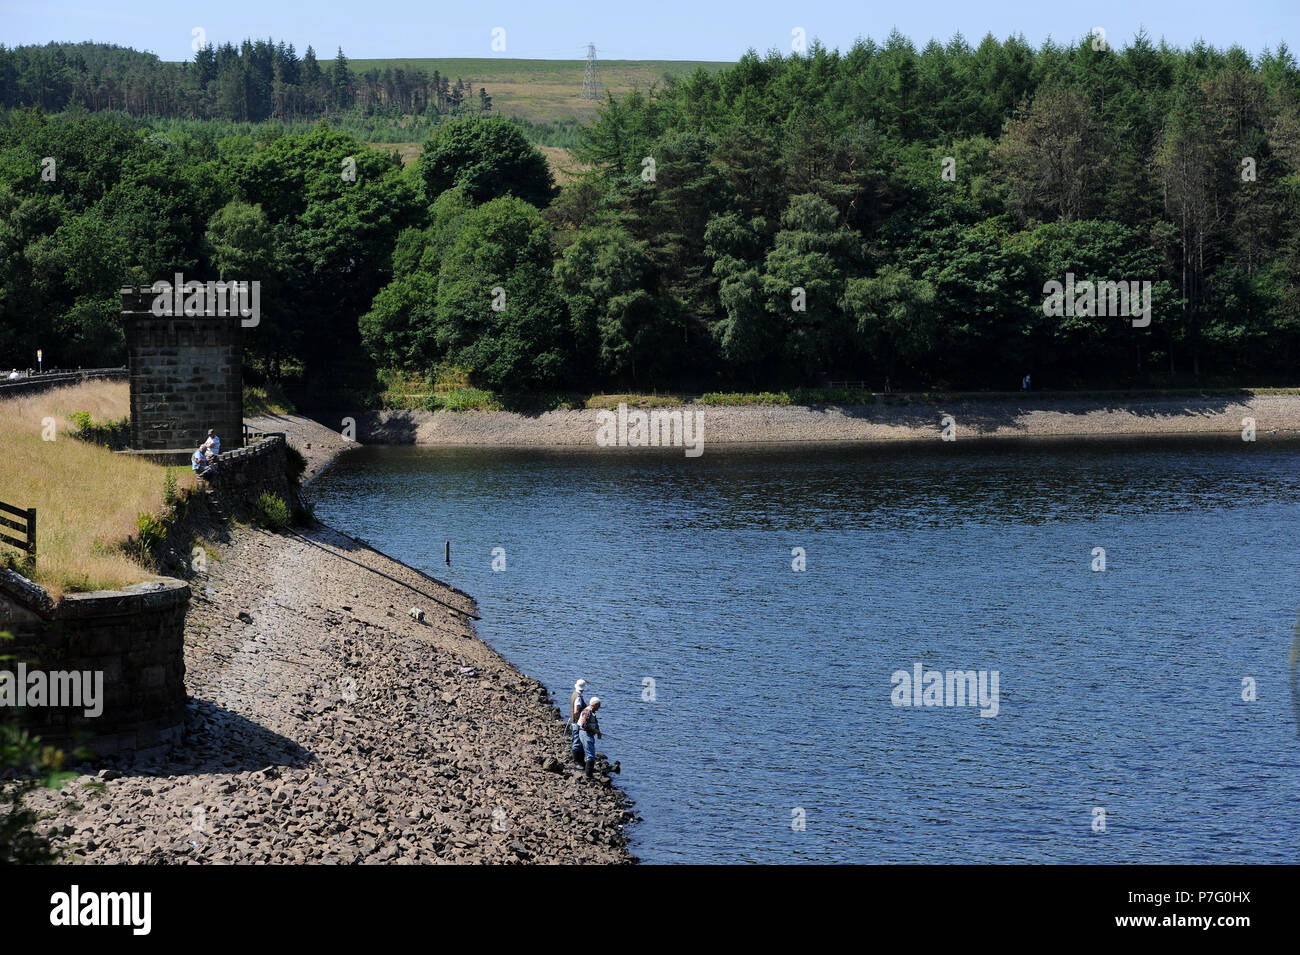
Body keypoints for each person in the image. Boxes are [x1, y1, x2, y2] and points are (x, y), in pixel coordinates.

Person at [576, 697, 602, 779]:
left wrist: (598, 731)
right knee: (591, 755)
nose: (599, 707)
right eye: (599, 705)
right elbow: (584, 725)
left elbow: (594, 723)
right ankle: (588, 775)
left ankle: (588, 773)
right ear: (594, 705)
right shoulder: (587, 711)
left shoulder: (592, 711)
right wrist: (595, 730)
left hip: (588, 734)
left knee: (590, 754)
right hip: (585, 734)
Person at [568, 679, 588, 766]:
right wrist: (580, 721)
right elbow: (576, 711)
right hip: (576, 723)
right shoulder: (578, 698)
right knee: (577, 742)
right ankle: (577, 762)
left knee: (576, 740)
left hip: (573, 721)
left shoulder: (574, 694)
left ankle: (578, 761)